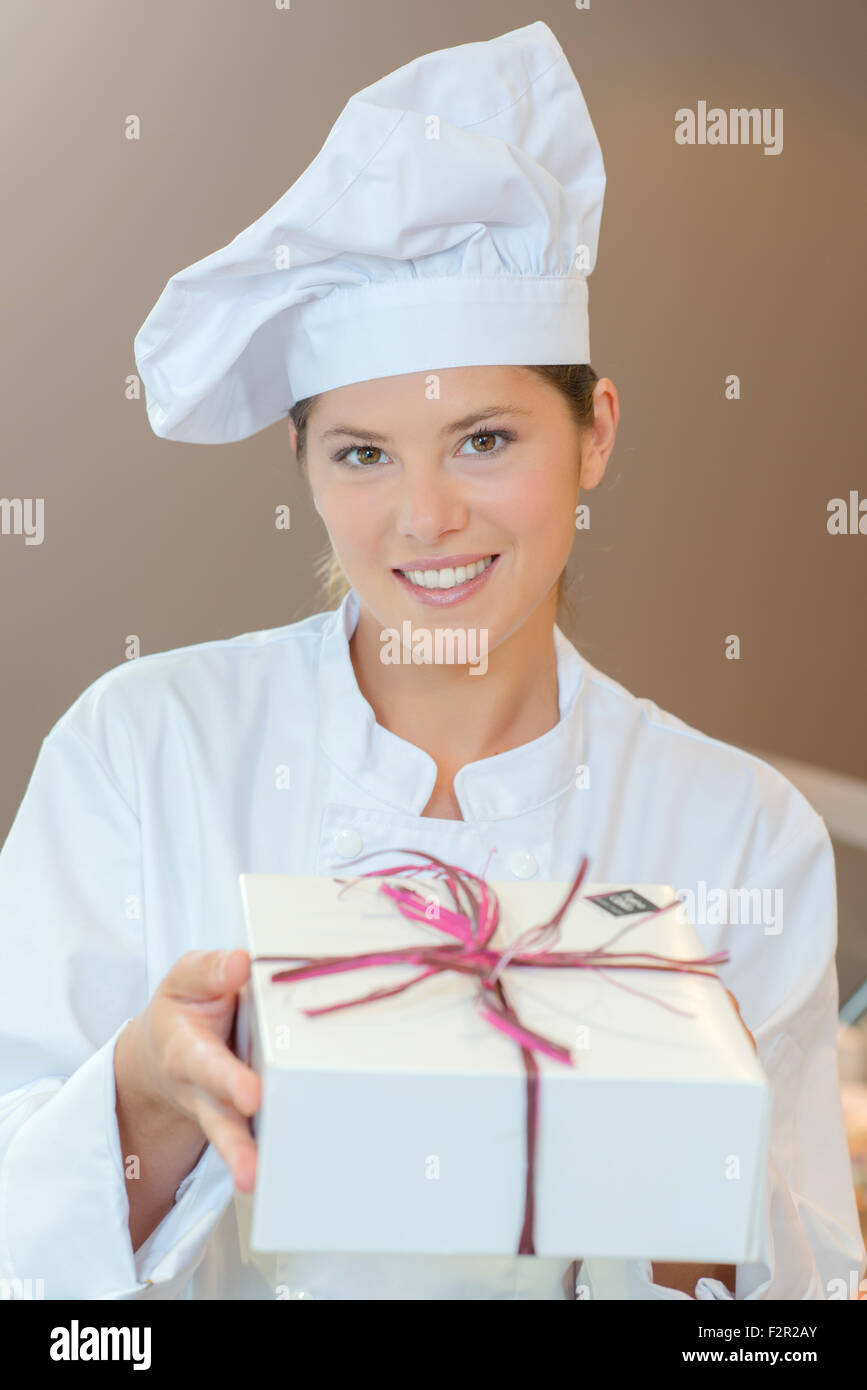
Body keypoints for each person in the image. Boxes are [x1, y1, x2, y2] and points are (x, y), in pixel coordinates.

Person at [1, 21, 864, 1302]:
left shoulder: (744, 839)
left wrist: (701, 1153)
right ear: (302, 464)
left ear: (597, 433)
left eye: (484, 438)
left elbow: (790, 1322)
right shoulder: (140, 750)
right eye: (363, 453)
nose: (428, 517)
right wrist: (141, 1099)